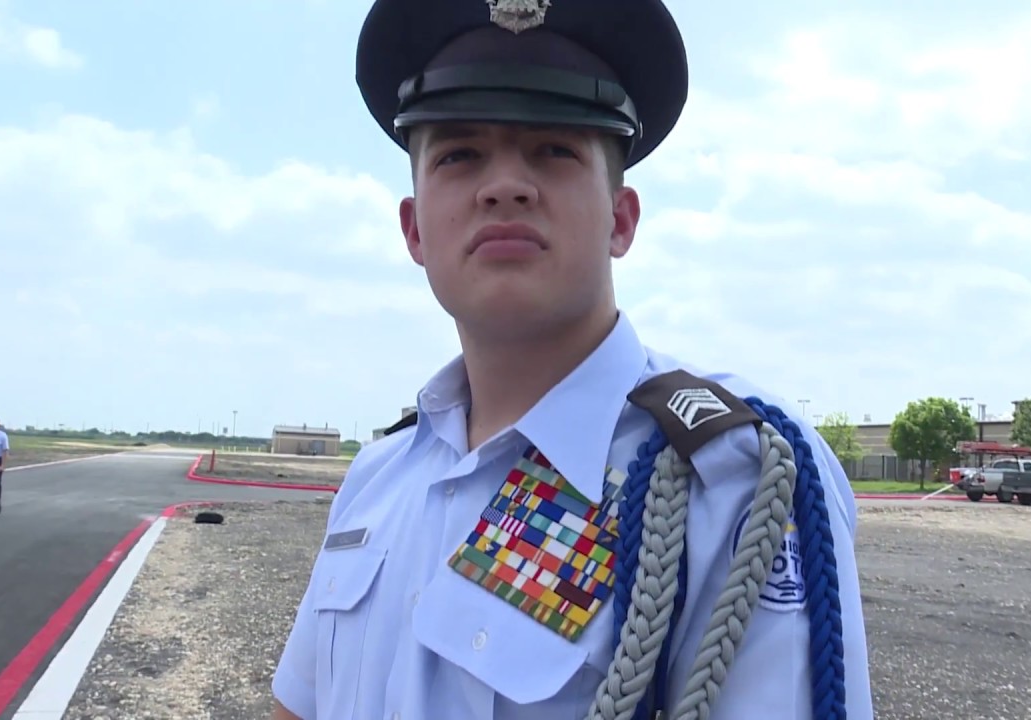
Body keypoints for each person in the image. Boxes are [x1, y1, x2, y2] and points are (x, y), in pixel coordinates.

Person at [269, 2, 873, 719]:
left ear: (621, 219)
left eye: (554, 150)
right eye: (460, 155)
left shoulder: (729, 477)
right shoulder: (377, 481)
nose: (505, 186)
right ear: (414, 230)